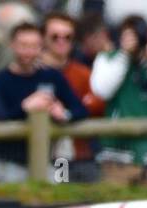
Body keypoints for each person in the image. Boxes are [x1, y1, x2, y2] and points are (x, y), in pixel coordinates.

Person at [0, 21, 85, 182]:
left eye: (34, 46)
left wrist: (63, 113)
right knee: (14, 204)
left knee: (59, 197)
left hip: (54, 160)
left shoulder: (53, 76)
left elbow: (80, 109)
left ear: (41, 47)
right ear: (13, 45)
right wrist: (25, 107)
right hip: (10, 163)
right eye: (23, 45)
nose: (28, 52)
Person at [89, 14, 147, 187]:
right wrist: (124, 55)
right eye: (127, 36)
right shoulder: (107, 58)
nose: (133, 41)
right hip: (115, 155)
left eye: (136, 36)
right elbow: (101, 90)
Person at [39, 12, 102, 182]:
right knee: (58, 200)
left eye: (68, 37)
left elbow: (98, 104)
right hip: (46, 155)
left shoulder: (83, 73)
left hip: (83, 153)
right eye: (55, 36)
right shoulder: (33, 72)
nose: (62, 41)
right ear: (43, 38)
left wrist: (70, 111)